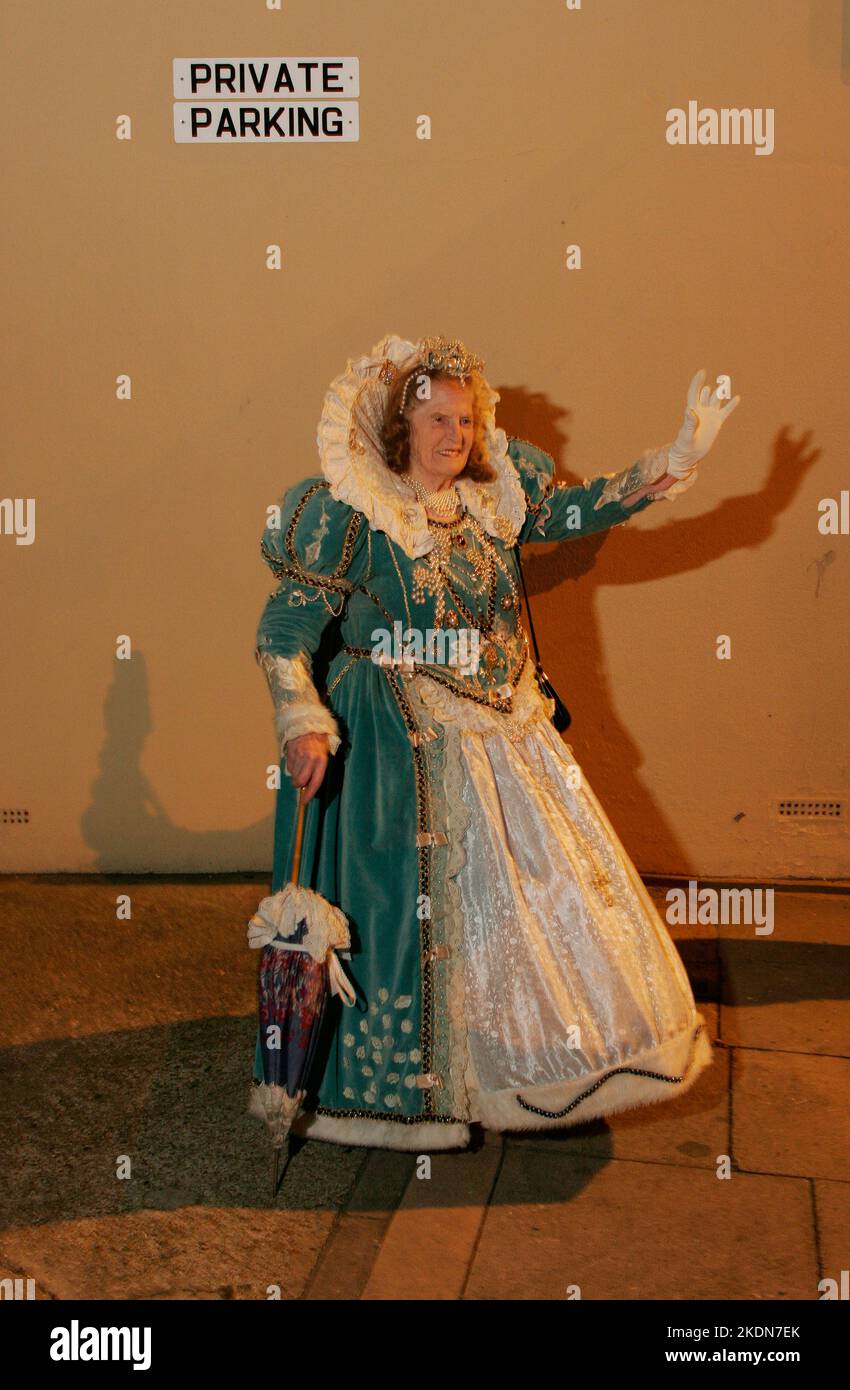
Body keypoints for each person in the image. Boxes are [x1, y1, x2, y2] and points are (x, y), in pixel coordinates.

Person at [250, 332, 740, 1152]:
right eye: (438, 419)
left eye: (467, 421)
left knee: (533, 906)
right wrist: (300, 715)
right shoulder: (356, 513)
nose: (456, 436)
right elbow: (284, 629)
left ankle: (531, 1063)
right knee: (435, 914)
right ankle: (413, 1089)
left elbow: (586, 509)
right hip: (403, 744)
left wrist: (677, 455)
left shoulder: (492, 500)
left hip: (509, 731)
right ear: (401, 429)